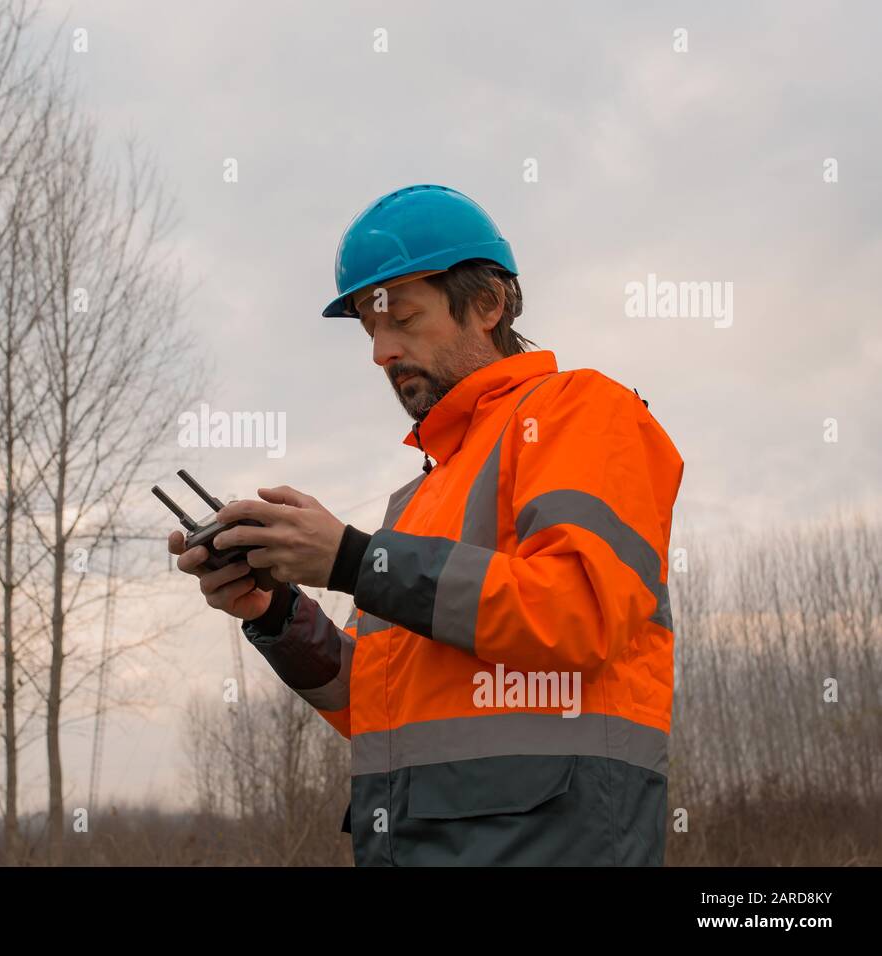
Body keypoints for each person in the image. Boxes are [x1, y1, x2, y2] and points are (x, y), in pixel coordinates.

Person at [167, 184, 685, 866]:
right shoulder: (418, 499)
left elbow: (578, 611)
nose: (381, 351)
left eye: (402, 321)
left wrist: (351, 562)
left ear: (488, 305)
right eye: (369, 330)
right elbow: (370, 705)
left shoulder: (583, 413)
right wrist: (274, 611)